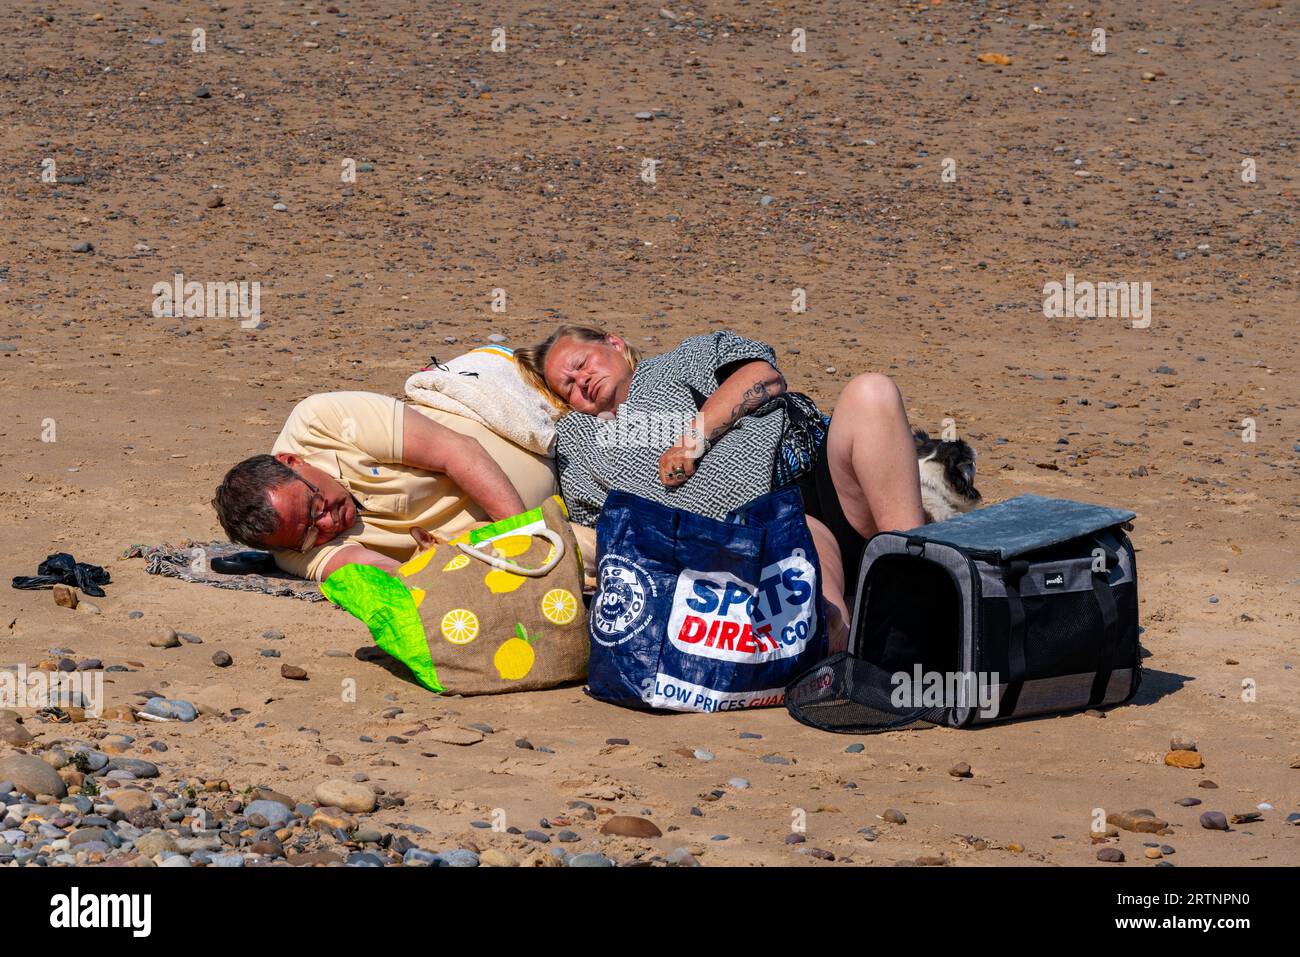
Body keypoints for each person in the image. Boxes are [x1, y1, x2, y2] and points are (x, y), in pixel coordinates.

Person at [515, 327, 925, 651]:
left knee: (872, 392)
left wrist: (692, 441)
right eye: (567, 386)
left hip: (821, 474)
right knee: (829, 615)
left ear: (614, 343)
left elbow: (764, 376)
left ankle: (919, 575)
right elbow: (602, 531)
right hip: (762, 531)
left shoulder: (682, 359)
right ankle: (869, 643)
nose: (580, 382)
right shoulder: (577, 439)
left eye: (581, 364)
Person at [211, 391, 557, 581]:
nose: (328, 524)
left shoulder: (319, 422)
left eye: (315, 507)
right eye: (310, 533)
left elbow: (457, 451)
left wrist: (524, 539)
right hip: (560, 520)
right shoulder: (291, 551)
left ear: (292, 461)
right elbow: (386, 572)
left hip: (553, 446)